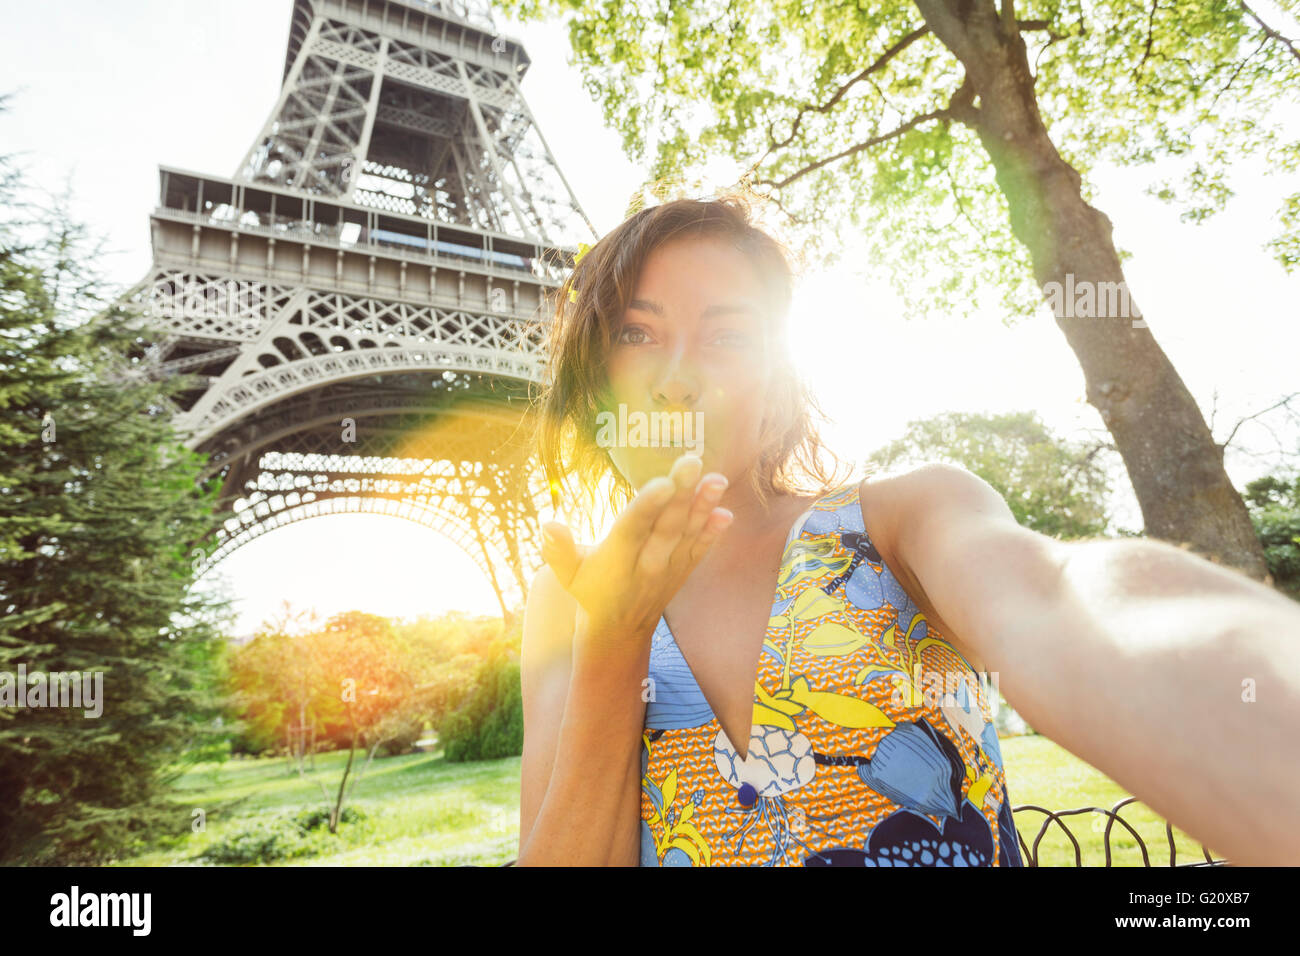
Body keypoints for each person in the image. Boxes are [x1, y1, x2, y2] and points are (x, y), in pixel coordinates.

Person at [515, 191, 1300, 867]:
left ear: (775, 385)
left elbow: (1060, 598)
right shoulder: (566, 600)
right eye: (635, 332)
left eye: (728, 336)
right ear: (591, 378)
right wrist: (612, 641)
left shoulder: (900, 520)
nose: (677, 374)